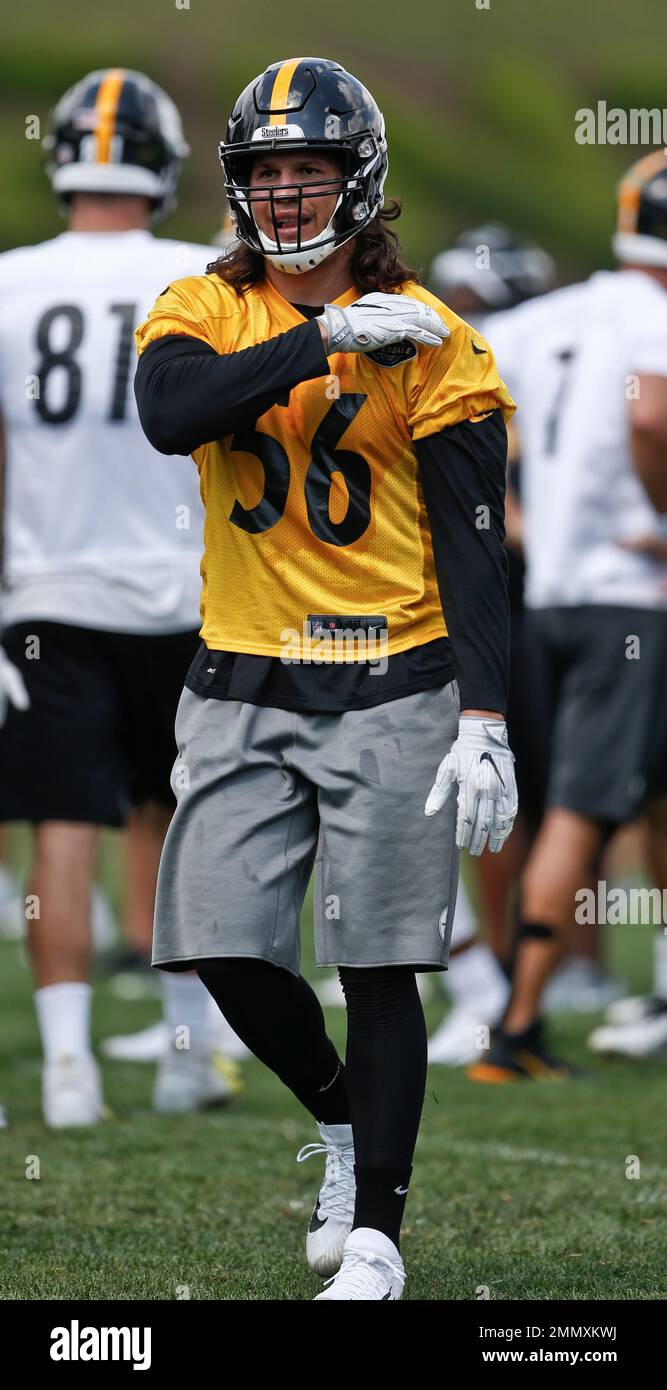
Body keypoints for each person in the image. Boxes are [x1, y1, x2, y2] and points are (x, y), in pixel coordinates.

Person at [135, 55, 517, 1300]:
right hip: (242, 678)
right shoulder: (201, 302)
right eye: (264, 172)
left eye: (307, 171)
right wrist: (314, 338)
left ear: (360, 180)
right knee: (227, 949)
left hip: (392, 678)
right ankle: (344, 1121)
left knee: (379, 961)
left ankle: (377, 1238)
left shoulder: (438, 342)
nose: (285, 194)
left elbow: (471, 541)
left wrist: (486, 713)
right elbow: (170, 412)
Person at [0, 68, 231, 1126]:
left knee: (62, 820)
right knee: (187, 820)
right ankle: (187, 1052)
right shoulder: (204, 278)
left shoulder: (11, 282)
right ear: (162, 163)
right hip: (189, 595)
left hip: (50, 589)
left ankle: (67, 1070)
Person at [467, 151, 667, 1082]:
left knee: (611, 797)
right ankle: (516, 1025)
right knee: (581, 811)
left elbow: (470, 418)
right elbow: (652, 421)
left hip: (545, 592)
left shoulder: (545, 317)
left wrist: (519, 525)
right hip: (625, 598)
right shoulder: (651, 318)